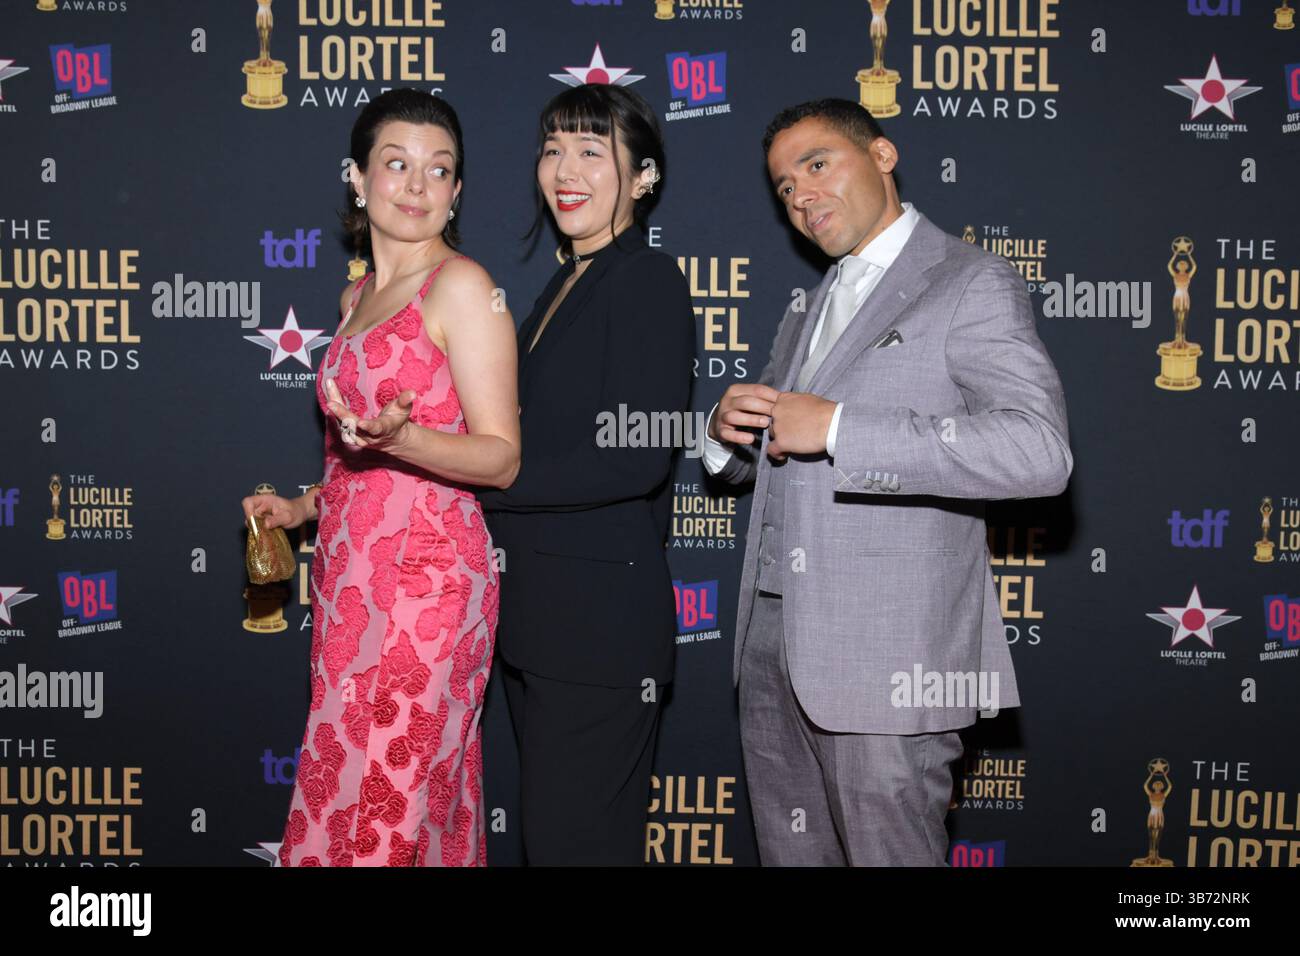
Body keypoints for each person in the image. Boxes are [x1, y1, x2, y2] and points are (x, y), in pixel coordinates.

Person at [703, 98, 1072, 866]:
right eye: (783, 187)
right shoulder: (809, 305)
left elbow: (1038, 450)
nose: (800, 195)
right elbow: (773, 447)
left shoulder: (969, 281)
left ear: (881, 154)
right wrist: (724, 437)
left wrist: (838, 429)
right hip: (772, 648)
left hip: (890, 664)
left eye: (816, 165)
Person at [241, 89, 521, 867]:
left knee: (398, 795)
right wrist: (302, 509)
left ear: (457, 191)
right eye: (396, 164)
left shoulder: (462, 287)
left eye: (439, 170)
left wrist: (408, 439)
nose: (416, 185)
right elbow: (352, 459)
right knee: (342, 773)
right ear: (357, 179)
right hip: (349, 574)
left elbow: (501, 456)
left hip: (430, 581)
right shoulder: (355, 298)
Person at [476, 83, 694, 865]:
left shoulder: (647, 280)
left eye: (592, 151)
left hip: (598, 635)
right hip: (540, 623)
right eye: (553, 148)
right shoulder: (565, 284)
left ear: (642, 178)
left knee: (574, 849)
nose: (564, 168)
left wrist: (478, 479)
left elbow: (633, 454)